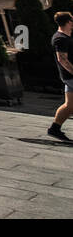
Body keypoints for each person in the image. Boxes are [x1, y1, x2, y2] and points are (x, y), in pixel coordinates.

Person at [49, 11, 73, 141]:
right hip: (70, 76)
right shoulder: (60, 38)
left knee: (69, 106)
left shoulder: (65, 37)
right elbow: (62, 59)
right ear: (69, 22)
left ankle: (55, 128)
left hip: (68, 76)